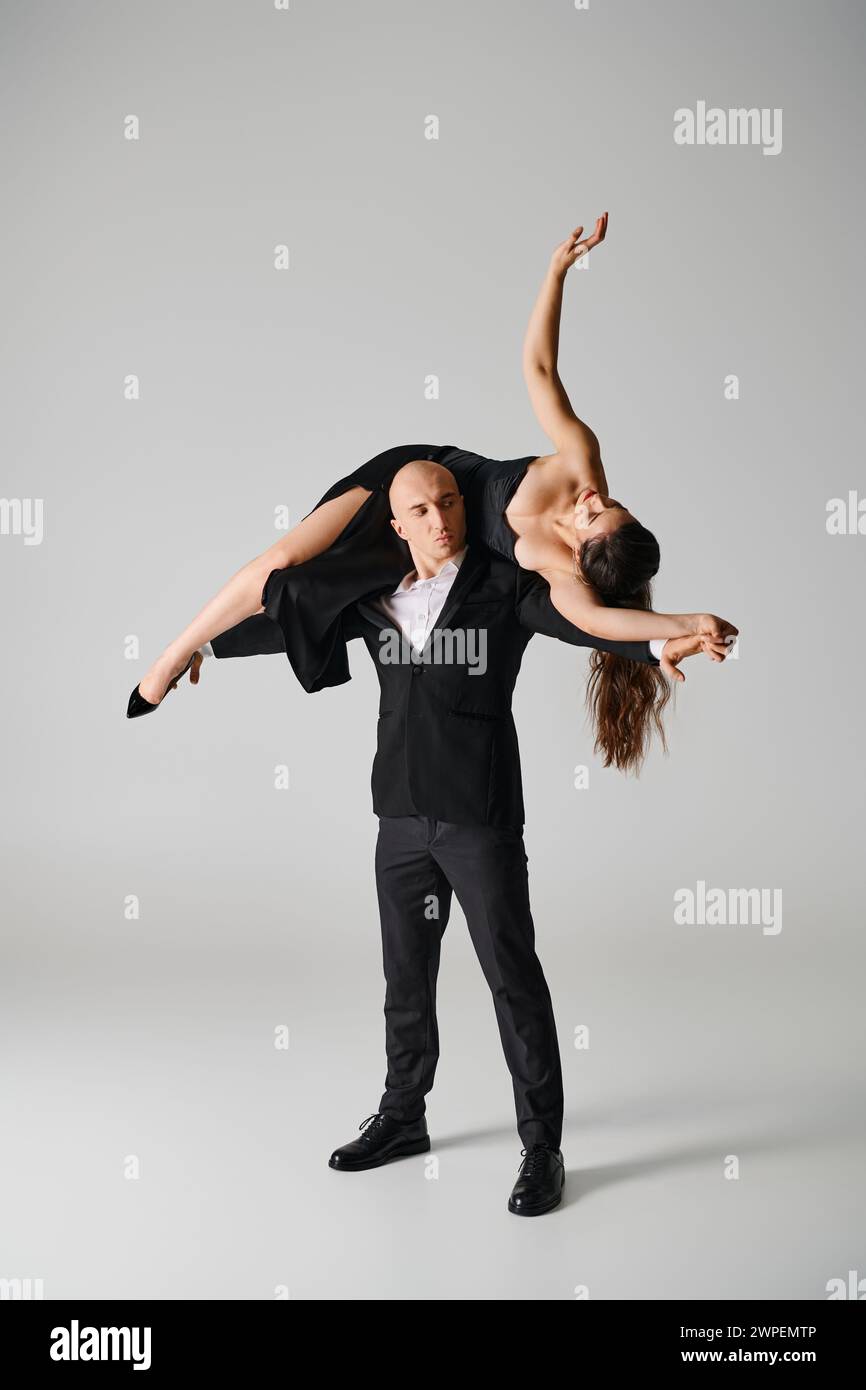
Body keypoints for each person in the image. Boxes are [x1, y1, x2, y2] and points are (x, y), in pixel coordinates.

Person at [195, 458, 730, 1216]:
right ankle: (403, 1116)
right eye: (421, 509)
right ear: (397, 525)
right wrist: (202, 648)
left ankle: (542, 1147)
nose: (440, 518)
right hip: (401, 821)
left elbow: (581, 621)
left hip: (478, 821)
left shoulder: (505, 585)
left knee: (512, 977)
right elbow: (290, 625)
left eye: (449, 502)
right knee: (405, 978)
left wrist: (656, 645)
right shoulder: (374, 595)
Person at [126, 213, 738, 772]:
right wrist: (556, 274)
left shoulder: (561, 573)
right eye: (609, 503)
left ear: (581, 556)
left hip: (434, 544)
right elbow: (541, 371)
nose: (591, 501)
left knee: (313, 597)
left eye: (592, 520)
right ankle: (170, 657)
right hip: (418, 488)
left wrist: (684, 622)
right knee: (284, 560)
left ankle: (213, 644)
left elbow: (593, 620)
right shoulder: (582, 462)